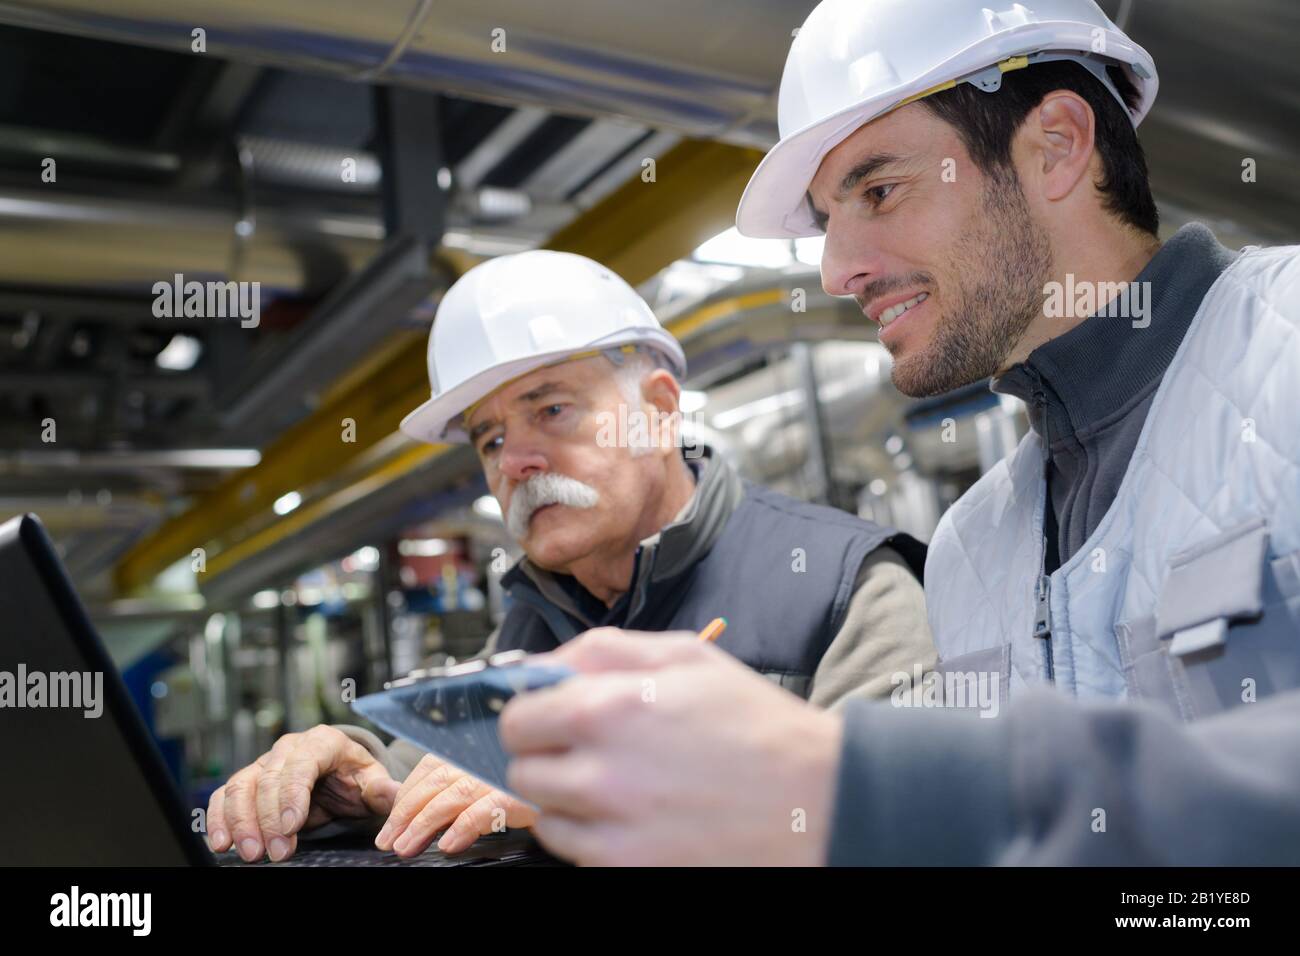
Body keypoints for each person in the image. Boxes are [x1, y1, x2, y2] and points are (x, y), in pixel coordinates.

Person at [497, 0, 1300, 865]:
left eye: (878, 191)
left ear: (1056, 145)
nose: (839, 271)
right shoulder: (968, 550)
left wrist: (861, 784)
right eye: (830, 219)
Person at [204, 250, 934, 863]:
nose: (515, 460)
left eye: (551, 410)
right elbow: (448, 782)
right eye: (489, 438)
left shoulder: (844, 586)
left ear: (658, 407)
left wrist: (631, 787)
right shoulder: (533, 621)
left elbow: (905, 832)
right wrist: (359, 779)